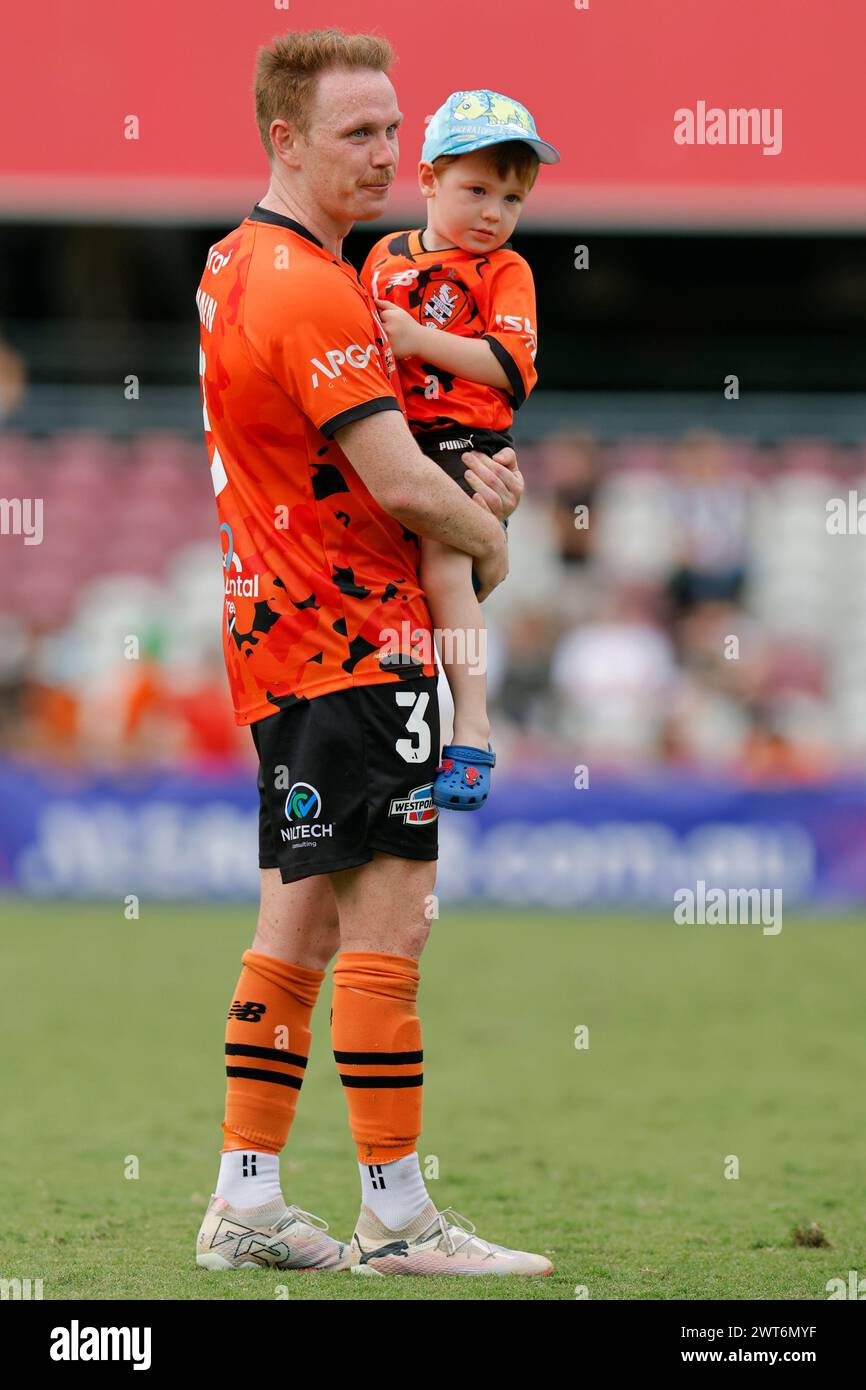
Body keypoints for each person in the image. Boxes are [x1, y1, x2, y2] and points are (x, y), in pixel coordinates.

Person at [194, 29, 552, 1277]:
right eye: (360, 133)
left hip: (282, 640)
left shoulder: (236, 262)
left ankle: (245, 1197)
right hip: (357, 640)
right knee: (388, 931)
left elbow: (379, 451)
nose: (387, 155)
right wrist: (489, 532)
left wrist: (468, 483)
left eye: (396, 131)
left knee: (290, 933)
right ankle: (396, 1218)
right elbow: (402, 478)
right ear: (283, 138)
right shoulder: (310, 284)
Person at [361, 90, 558, 811]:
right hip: (390, 440)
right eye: (477, 189)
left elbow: (513, 365)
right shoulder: (382, 258)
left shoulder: (506, 271)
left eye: (511, 198)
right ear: (426, 179)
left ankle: (470, 723)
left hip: (464, 444)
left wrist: (418, 341)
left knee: (447, 567)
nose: (492, 212)